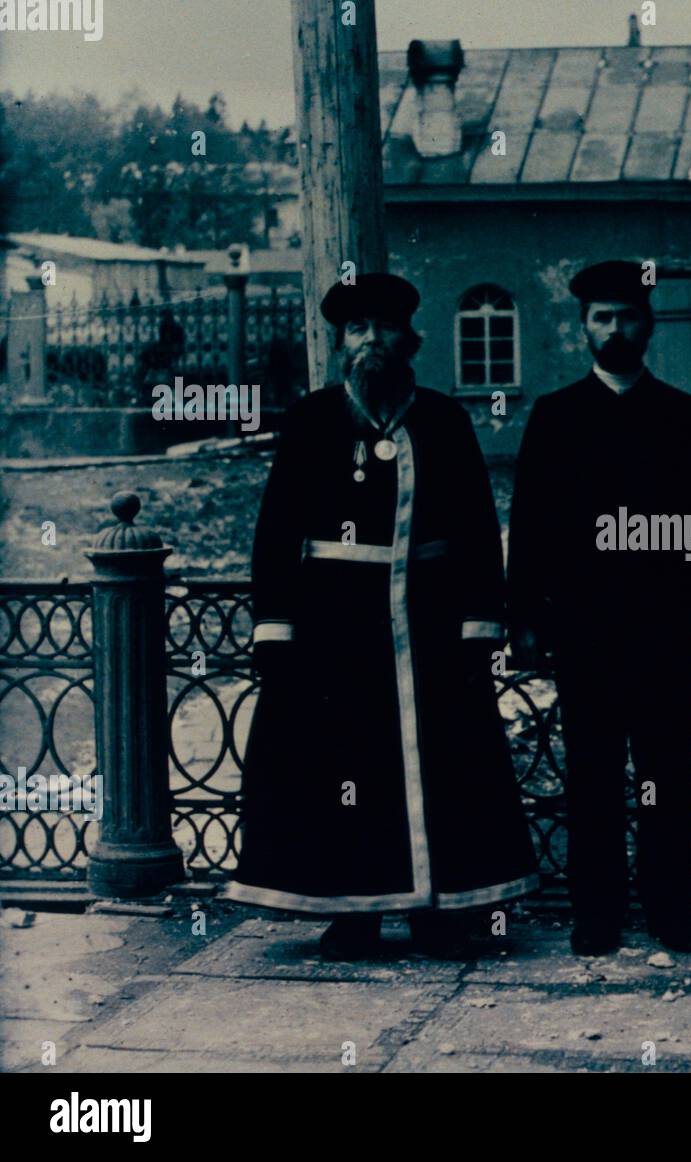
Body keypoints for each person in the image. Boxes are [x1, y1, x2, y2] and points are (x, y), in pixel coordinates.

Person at [224, 273, 538, 960]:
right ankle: (353, 912)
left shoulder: (444, 421)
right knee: (343, 766)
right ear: (339, 343)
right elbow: (276, 532)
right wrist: (276, 628)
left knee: (443, 762)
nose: (371, 341)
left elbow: (480, 531)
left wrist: (482, 623)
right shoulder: (311, 421)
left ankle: (439, 911)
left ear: (409, 340)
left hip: (429, 624)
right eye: (357, 330)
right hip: (334, 631)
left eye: (383, 328)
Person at [508, 261, 691, 957]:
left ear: (649, 323)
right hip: (585, 631)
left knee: (666, 776)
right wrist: (526, 619)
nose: (616, 329)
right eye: (602, 317)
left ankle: (670, 910)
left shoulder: (684, 418)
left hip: (661, 631)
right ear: (582, 330)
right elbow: (532, 525)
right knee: (592, 776)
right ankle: (594, 914)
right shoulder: (556, 417)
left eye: (628, 315)